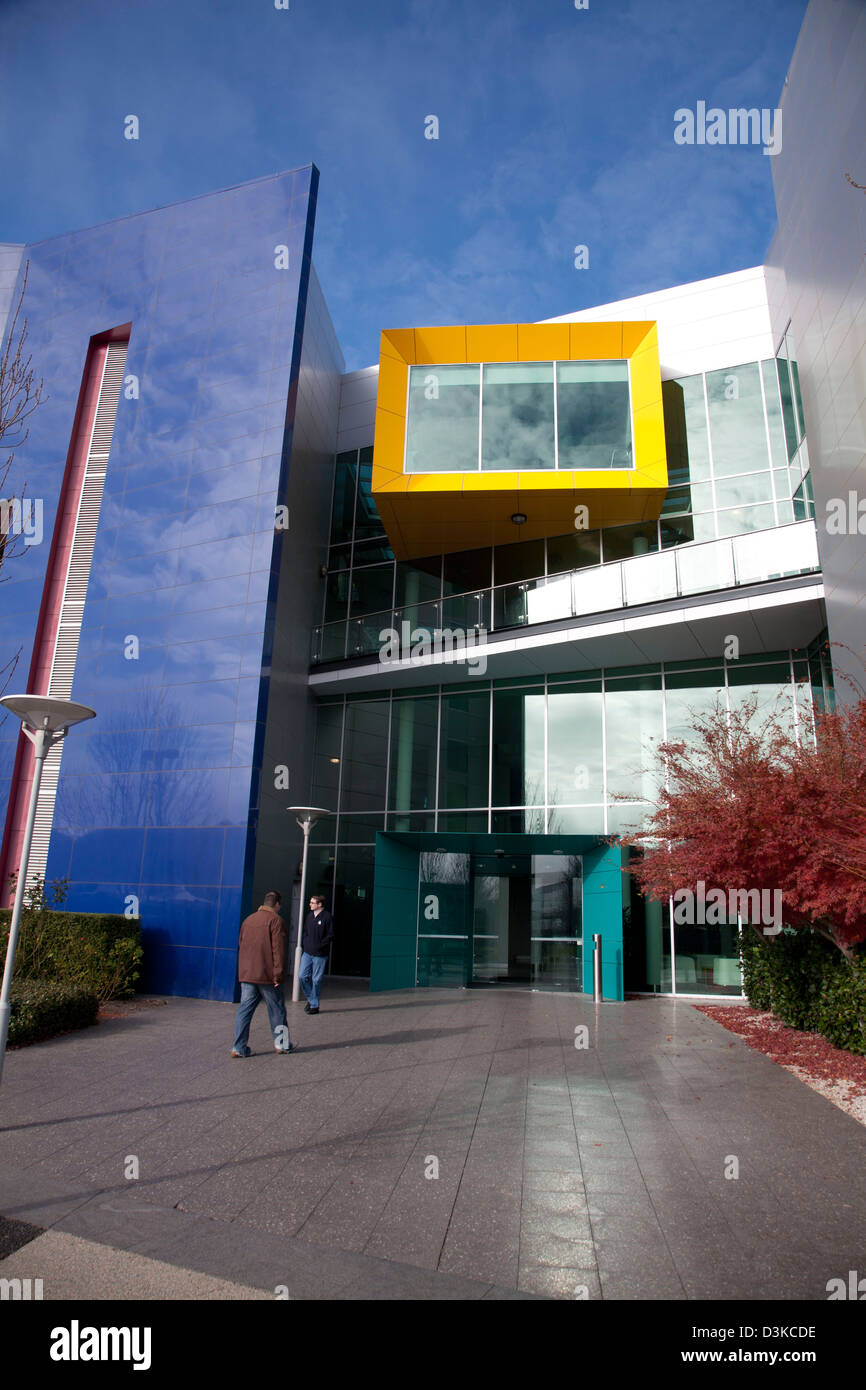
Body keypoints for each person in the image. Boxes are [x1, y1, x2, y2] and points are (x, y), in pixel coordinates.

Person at [231, 891, 298, 1056]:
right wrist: (279, 974)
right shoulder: (276, 921)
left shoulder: (248, 920)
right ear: (277, 905)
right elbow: (278, 950)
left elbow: (241, 944)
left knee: (244, 1010)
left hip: (247, 974)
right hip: (267, 975)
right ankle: (282, 1045)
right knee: (277, 1010)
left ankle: (238, 1047)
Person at [299, 895, 334, 1014]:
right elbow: (306, 932)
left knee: (316, 980)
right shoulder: (309, 916)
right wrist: (306, 943)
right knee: (302, 976)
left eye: (313, 903)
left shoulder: (327, 917)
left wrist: (320, 945)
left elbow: (330, 935)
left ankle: (314, 1005)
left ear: (319, 905)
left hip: (320, 954)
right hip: (307, 953)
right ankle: (312, 999)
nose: (310, 904)